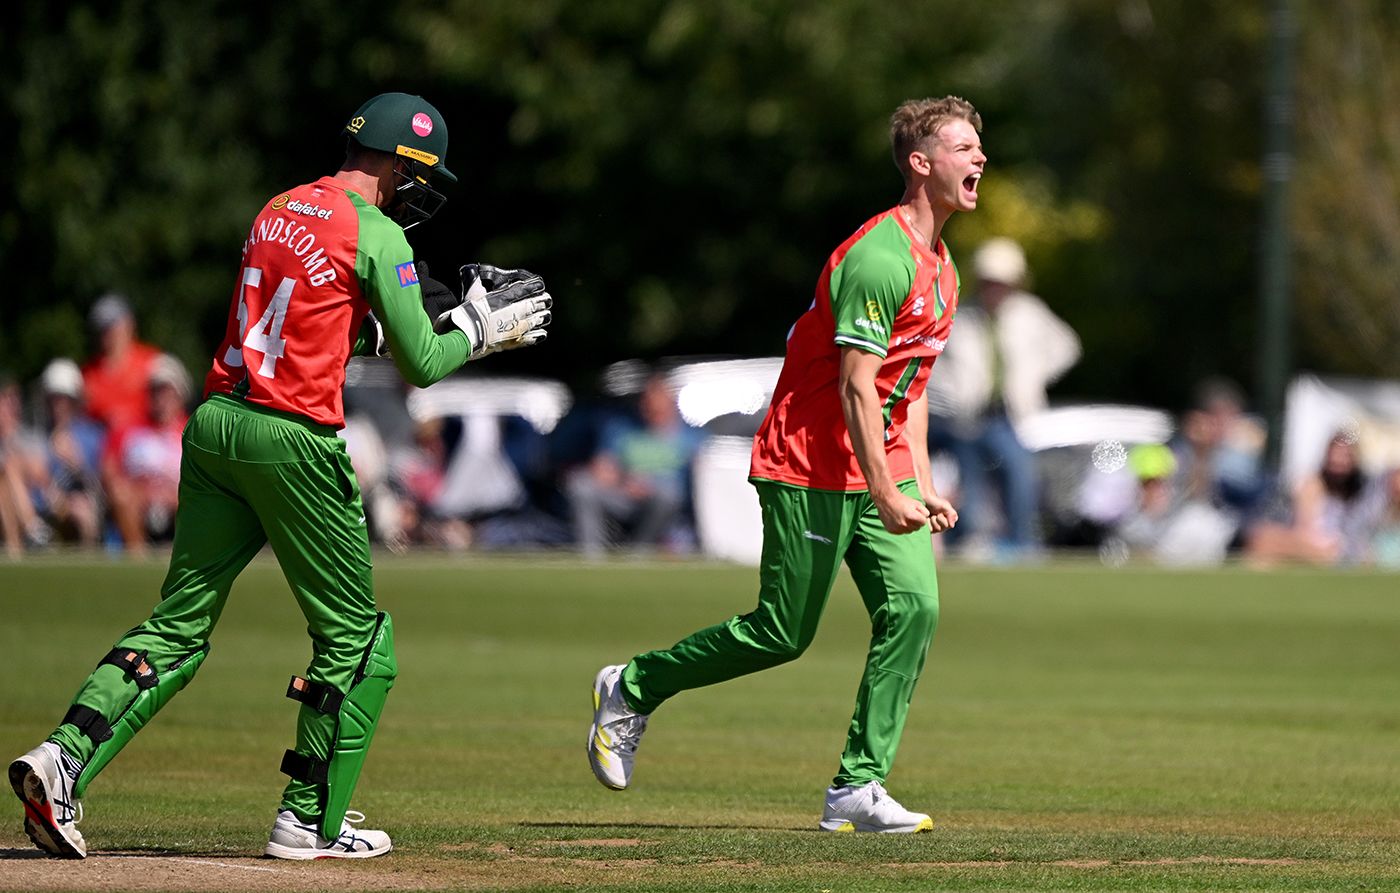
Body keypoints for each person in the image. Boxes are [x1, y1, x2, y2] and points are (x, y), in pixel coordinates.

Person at [9, 92, 551, 861]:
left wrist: (382, 311)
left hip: (218, 422)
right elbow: (424, 363)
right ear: (402, 163)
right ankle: (309, 820)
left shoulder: (278, 206)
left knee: (177, 626)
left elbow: (309, 316)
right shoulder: (378, 230)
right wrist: (477, 326)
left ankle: (62, 758)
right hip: (293, 438)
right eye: (418, 175)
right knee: (359, 642)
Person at [587, 96, 979, 832]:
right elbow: (857, 383)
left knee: (916, 607)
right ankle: (634, 685)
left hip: (878, 465)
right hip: (808, 462)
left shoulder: (944, 270)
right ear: (920, 164)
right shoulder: (878, 256)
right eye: (963, 147)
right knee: (782, 632)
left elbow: (910, 389)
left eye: (978, 147)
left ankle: (857, 788)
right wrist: (889, 491)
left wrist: (917, 484)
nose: (980, 158)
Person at [925, 236, 1079, 561]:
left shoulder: (1030, 313)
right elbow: (932, 360)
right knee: (970, 483)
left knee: (1019, 475)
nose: (994, 288)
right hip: (965, 418)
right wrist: (948, 393)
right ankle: (967, 543)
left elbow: (1067, 347)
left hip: (1011, 416)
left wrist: (1035, 375)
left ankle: (1021, 544)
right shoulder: (959, 313)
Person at [565, 373, 705, 557]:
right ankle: (591, 554)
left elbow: (701, 479)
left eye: (657, 404)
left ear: (671, 403)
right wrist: (625, 481)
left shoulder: (692, 437)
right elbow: (602, 468)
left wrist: (650, 484)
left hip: (665, 502)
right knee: (580, 483)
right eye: (646, 402)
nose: (649, 408)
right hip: (623, 493)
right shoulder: (621, 428)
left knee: (668, 494)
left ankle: (639, 552)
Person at [37, 358, 106, 548]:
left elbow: (98, 486)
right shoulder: (39, 436)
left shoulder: (92, 436)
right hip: (47, 506)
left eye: (64, 399)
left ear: (75, 401)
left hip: (85, 506)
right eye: (53, 399)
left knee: (82, 510)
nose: (58, 405)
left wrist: (76, 462)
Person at [81, 293, 163, 433]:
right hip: (102, 442)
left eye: (113, 325)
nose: (108, 333)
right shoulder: (88, 373)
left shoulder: (152, 362)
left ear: (130, 324)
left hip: (146, 438)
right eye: (102, 327)